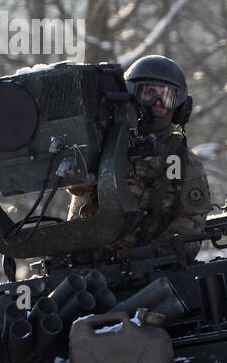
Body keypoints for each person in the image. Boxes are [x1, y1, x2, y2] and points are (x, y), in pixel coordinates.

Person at [67, 54, 212, 258]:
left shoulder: (182, 162)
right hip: (88, 263)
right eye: (149, 93)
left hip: (152, 272)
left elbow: (187, 233)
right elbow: (76, 191)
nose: (158, 102)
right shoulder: (101, 147)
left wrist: (143, 255)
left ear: (179, 105)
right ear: (132, 94)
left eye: (166, 96)